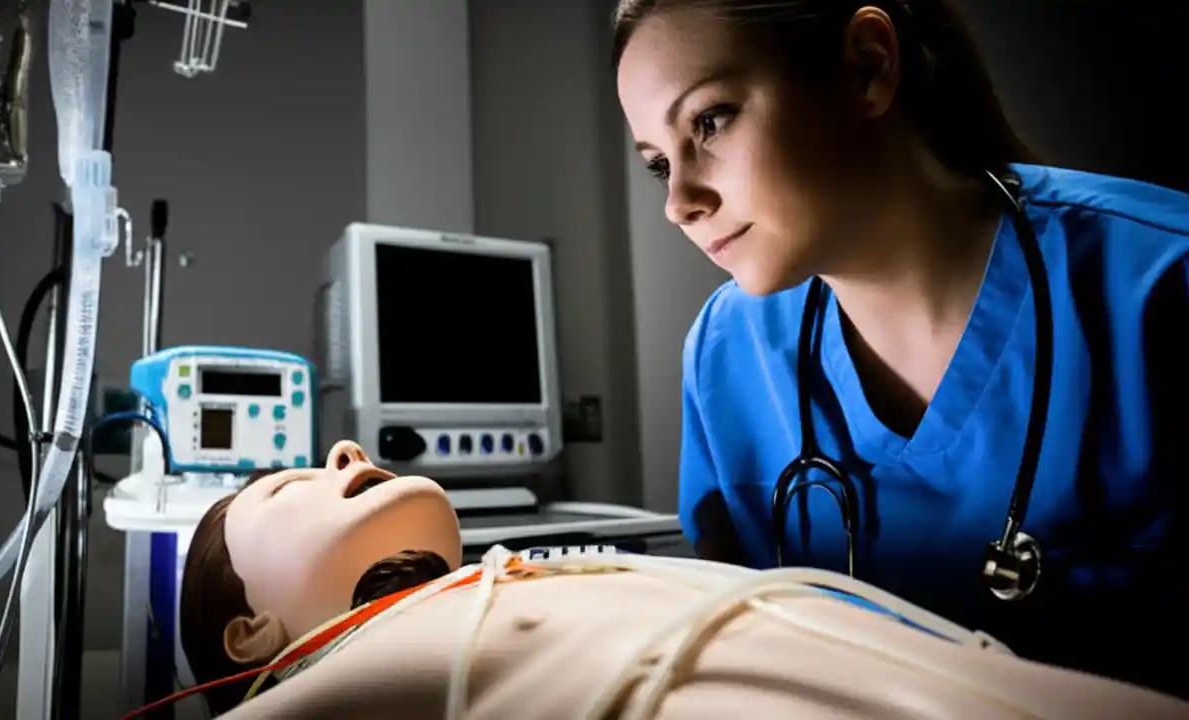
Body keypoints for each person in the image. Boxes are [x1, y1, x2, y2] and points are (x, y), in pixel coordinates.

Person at [612, 0, 1189, 699]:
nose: (678, 200)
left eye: (710, 120)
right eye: (655, 164)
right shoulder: (725, 354)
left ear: (866, 68)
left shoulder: (1160, 283)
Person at [144, 441, 1189, 719]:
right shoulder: (341, 674)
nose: (337, 451)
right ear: (255, 638)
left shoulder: (495, 586)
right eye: (284, 489)